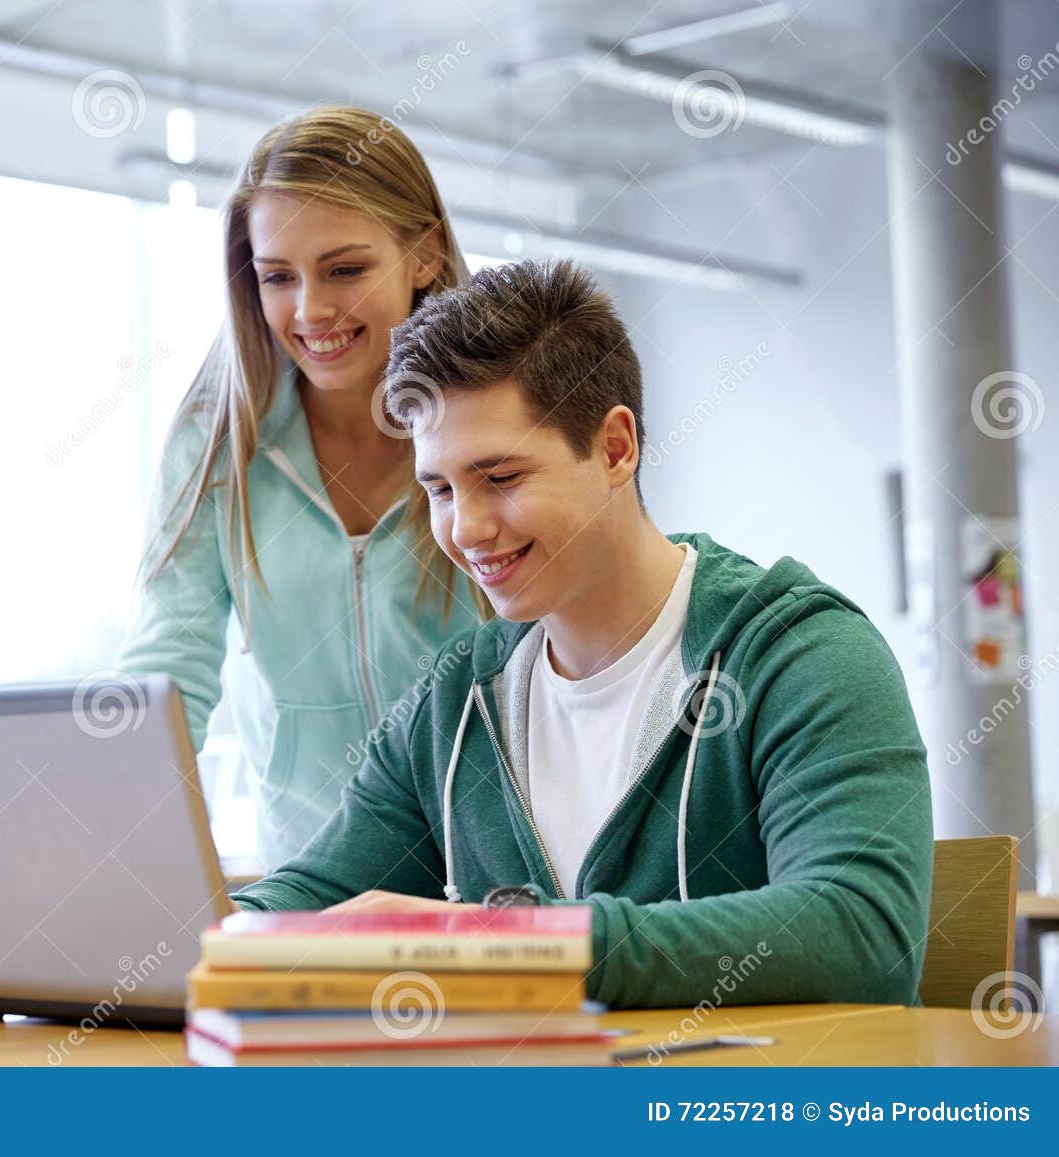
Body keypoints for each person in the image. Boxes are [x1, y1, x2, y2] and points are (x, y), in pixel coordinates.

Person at [233, 260, 934, 1009]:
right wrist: (203, 942)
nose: (465, 529)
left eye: (500, 477)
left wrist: (500, 945)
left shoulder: (803, 656)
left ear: (614, 448)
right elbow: (310, 897)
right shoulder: (455, 703)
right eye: (439, 488)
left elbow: (863, 934)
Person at [119, 106, 483, 868]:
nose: (312, 310)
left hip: (493, 874)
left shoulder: (492, 423)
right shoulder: (217, 440)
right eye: (278, 276)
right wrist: (136, 855)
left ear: (424, 254)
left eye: (345, 269)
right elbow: (168, 667)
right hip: (309, 878)